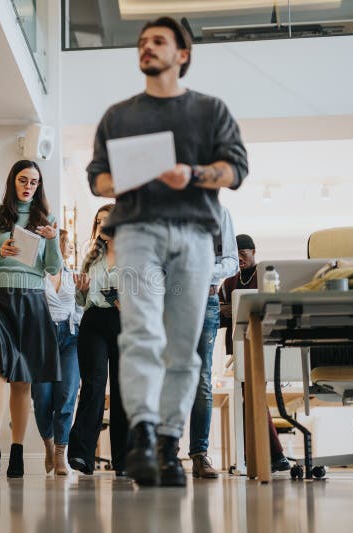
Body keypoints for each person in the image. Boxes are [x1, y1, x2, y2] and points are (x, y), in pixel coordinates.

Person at [86, 16, 248, 487]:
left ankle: (168, 443)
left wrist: (192, 174)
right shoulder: (118, 116)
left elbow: (235, 169)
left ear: (183, 54)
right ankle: (141, 435)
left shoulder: (210, 110)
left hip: (195, 235)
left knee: (183, 344)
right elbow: (97, 178)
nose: (147, 47)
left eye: (158, 41)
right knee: (141, 334)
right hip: (136, 231)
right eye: (142, 41)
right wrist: (127, 177)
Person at [0, 159, 63, 478]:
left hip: (30, 299)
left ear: (39, 186)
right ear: (13, 181)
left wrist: (53, 239)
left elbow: (52, 268)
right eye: (23, 180)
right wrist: (1, 253)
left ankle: (18, 453)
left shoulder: (47, 220)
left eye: (34, 182)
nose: (28, 186)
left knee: (23, 379)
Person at [219, 233, 291, 472]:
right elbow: (216, 314)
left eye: (243, 254)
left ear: (253, 252)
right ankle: (257, 456)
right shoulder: (228, 282)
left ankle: (269, 455)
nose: (239, 259)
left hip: (263, 344)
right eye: (235, 255)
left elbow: (271, 306)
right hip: (239, 348)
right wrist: (227, 310)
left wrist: (233, 309)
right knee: (248, 398)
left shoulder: (265, 275)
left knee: (252, 397)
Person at [67, 204, 129, 477]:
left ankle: (124, 460)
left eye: (107, 220)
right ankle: (81, 454)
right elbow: (81, 301)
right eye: (98, 221)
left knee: (122, 389)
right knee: (93, 385)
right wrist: (81, 290)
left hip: (124, 322)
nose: (102, 225)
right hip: (93, 322)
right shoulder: (91, 258)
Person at [188, 206, 238, 479]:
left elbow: (231, 261)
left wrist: (205, 269)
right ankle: (164, 452)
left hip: (206, 298)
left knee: (202, 379)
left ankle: (199, 454)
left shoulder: (219, 213)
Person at [31, 229, 83, 475]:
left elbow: (80, 308)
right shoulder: (36, 275)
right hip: (42, 339)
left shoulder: (74, 275)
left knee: (66, 396)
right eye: (67, 243)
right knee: (42, 399)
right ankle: (49, 445)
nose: (71, 247)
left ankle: (61, 454)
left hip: (70, 338)